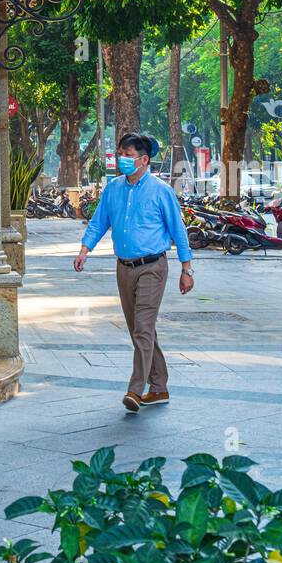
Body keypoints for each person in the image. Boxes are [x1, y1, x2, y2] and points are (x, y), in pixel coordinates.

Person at [73, 132, 194, 413]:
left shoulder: (160, 191)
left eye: (128, 155)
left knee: (142, 329)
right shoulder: (114, 189)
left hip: (153, 267)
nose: (122, 159)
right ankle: (160, 386)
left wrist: (186, 269)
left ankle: (135, 389)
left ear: (144, 159)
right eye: (120, 154)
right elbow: (98, 222)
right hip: (124, 268)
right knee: (141, 329)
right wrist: (84, 250)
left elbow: (178, 230)